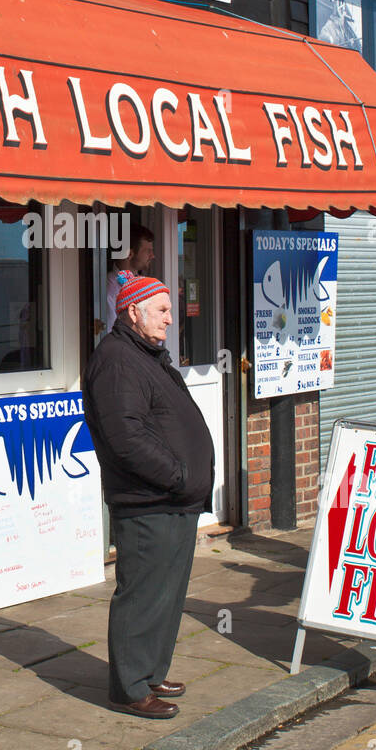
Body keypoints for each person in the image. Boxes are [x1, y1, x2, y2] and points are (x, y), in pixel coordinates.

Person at [82, 269, 215, 719]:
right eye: (161, 310)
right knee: (142, 596)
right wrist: (178, 476)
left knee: (167, 593)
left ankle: (151, 671)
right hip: (149, 502)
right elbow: (127, 438)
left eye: (171, 310)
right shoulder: (118, 360)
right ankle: (129, 687)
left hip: (173, 503)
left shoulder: (145, 354)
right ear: (133, 311)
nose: (170, 320)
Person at [104, 222, 155, 330]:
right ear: (130, 254)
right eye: (148, 251)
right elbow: (112, 334)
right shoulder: (110, 290)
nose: (152, 256)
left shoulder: (144, 285)